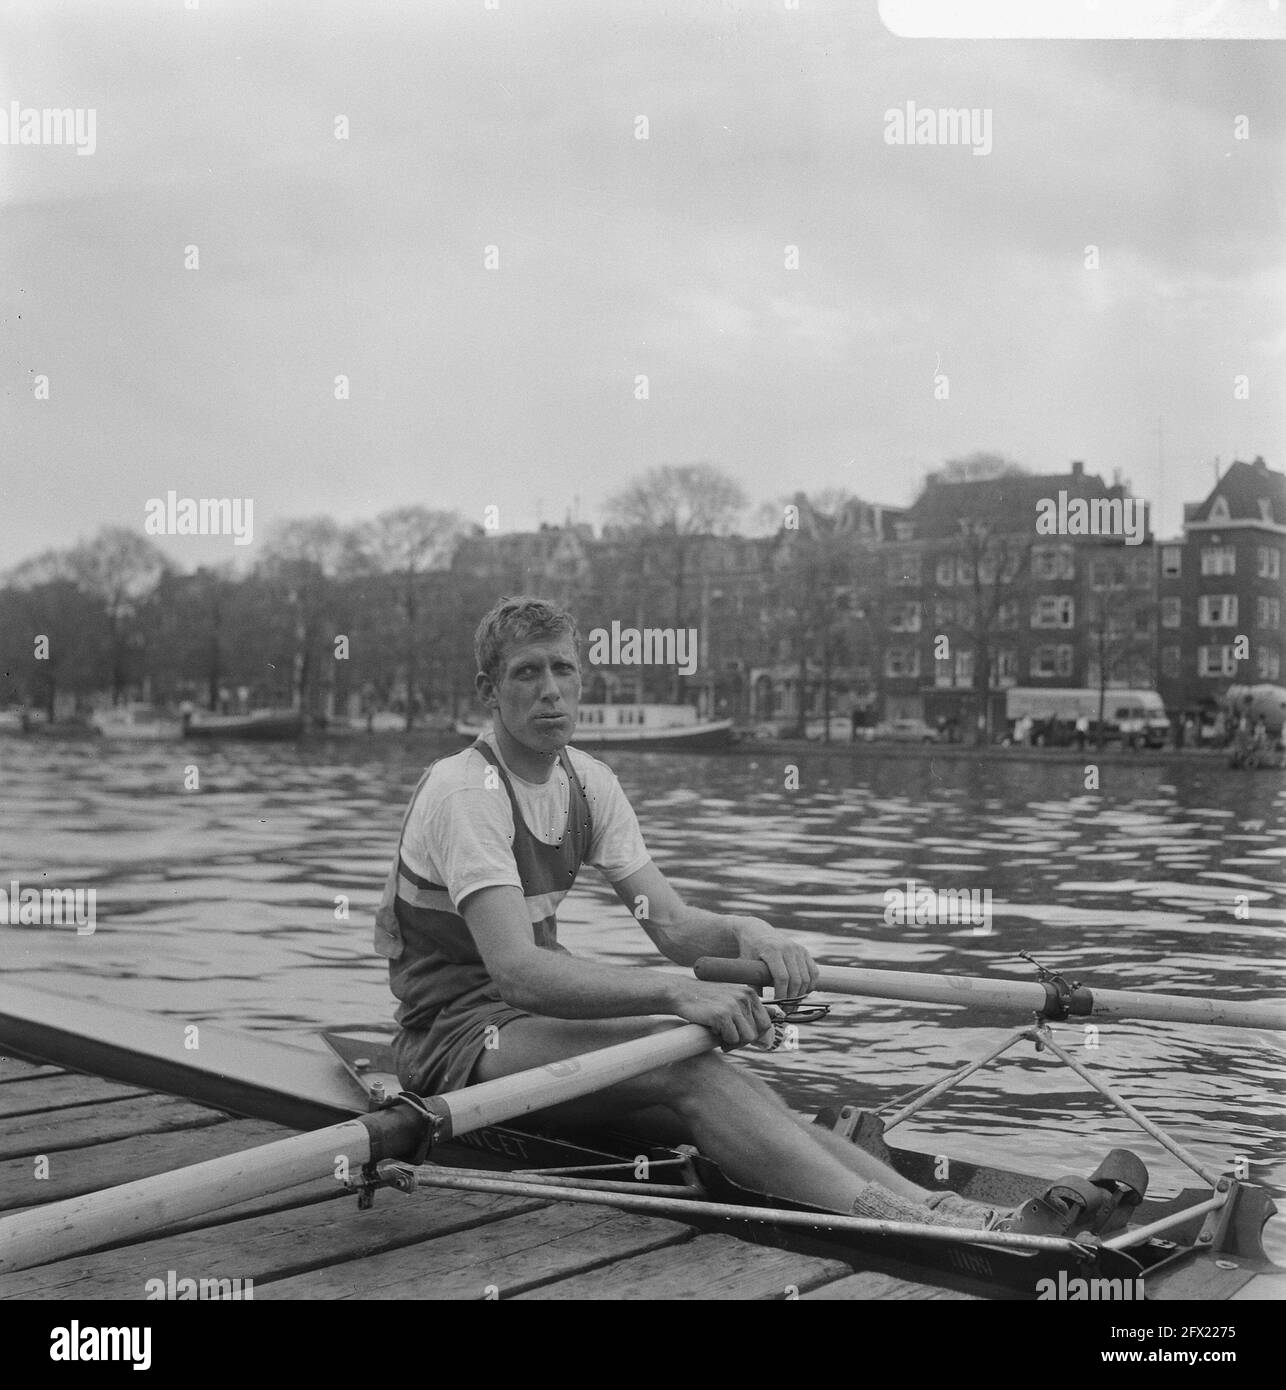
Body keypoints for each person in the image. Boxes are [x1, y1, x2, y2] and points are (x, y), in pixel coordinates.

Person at [375, 595, 1135, 1234]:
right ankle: (907, 1222)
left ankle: (950, 1212)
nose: (549, 691)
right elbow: (519, 970)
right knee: (681, 1056)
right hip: (454, 1041)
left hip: (520, 1026)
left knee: (705, 1076)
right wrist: (678, 996)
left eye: (562, 670)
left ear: (583, 679)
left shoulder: (588, 784)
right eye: (526, 674)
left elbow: (672, 928)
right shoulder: (464, 791)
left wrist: (753, 934)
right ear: (488, 691)